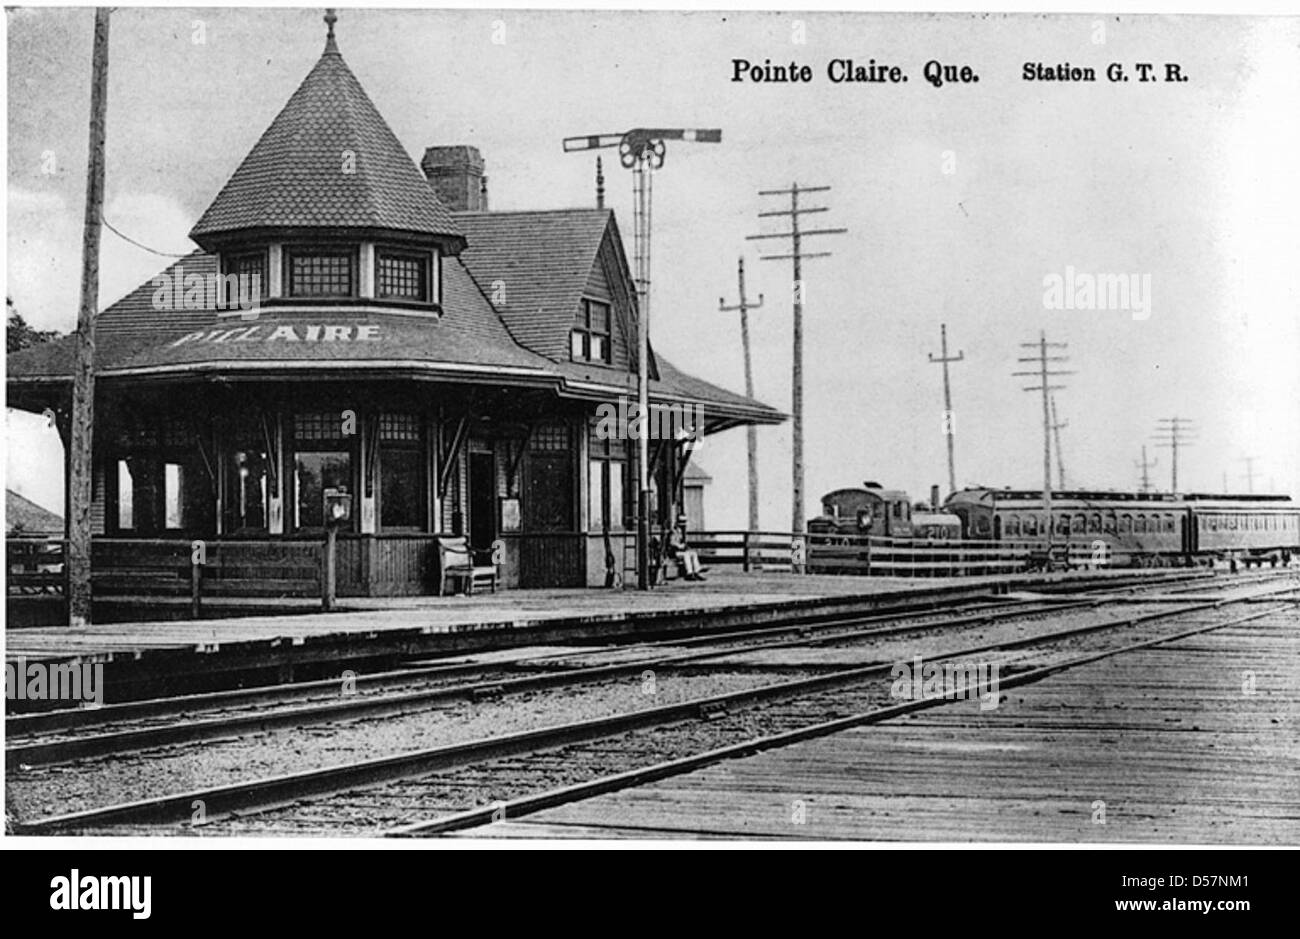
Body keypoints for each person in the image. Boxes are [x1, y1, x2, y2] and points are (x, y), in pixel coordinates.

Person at [667, 515, 705, 581]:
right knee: (686, 555)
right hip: (674, 552)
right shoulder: (673, 532)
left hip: (680, 551)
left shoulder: (681, 531)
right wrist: (679, 545)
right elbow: (671, 543)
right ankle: (689, 573)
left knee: (693, 553)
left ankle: (696, 571)